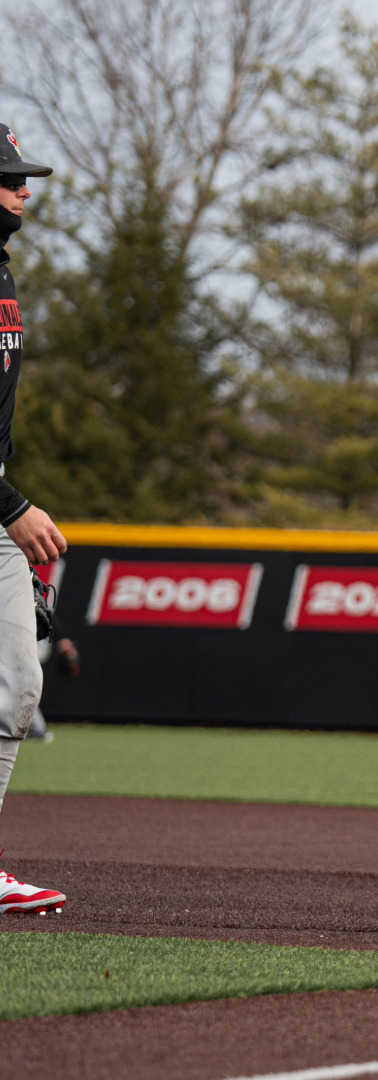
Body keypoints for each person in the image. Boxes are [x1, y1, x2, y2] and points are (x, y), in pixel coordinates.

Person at [0, 125, 70, 915]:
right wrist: (13, 507)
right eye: (10, 177)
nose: (24, 190)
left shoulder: (4, 272)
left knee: (19, 683)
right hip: (3, 506)